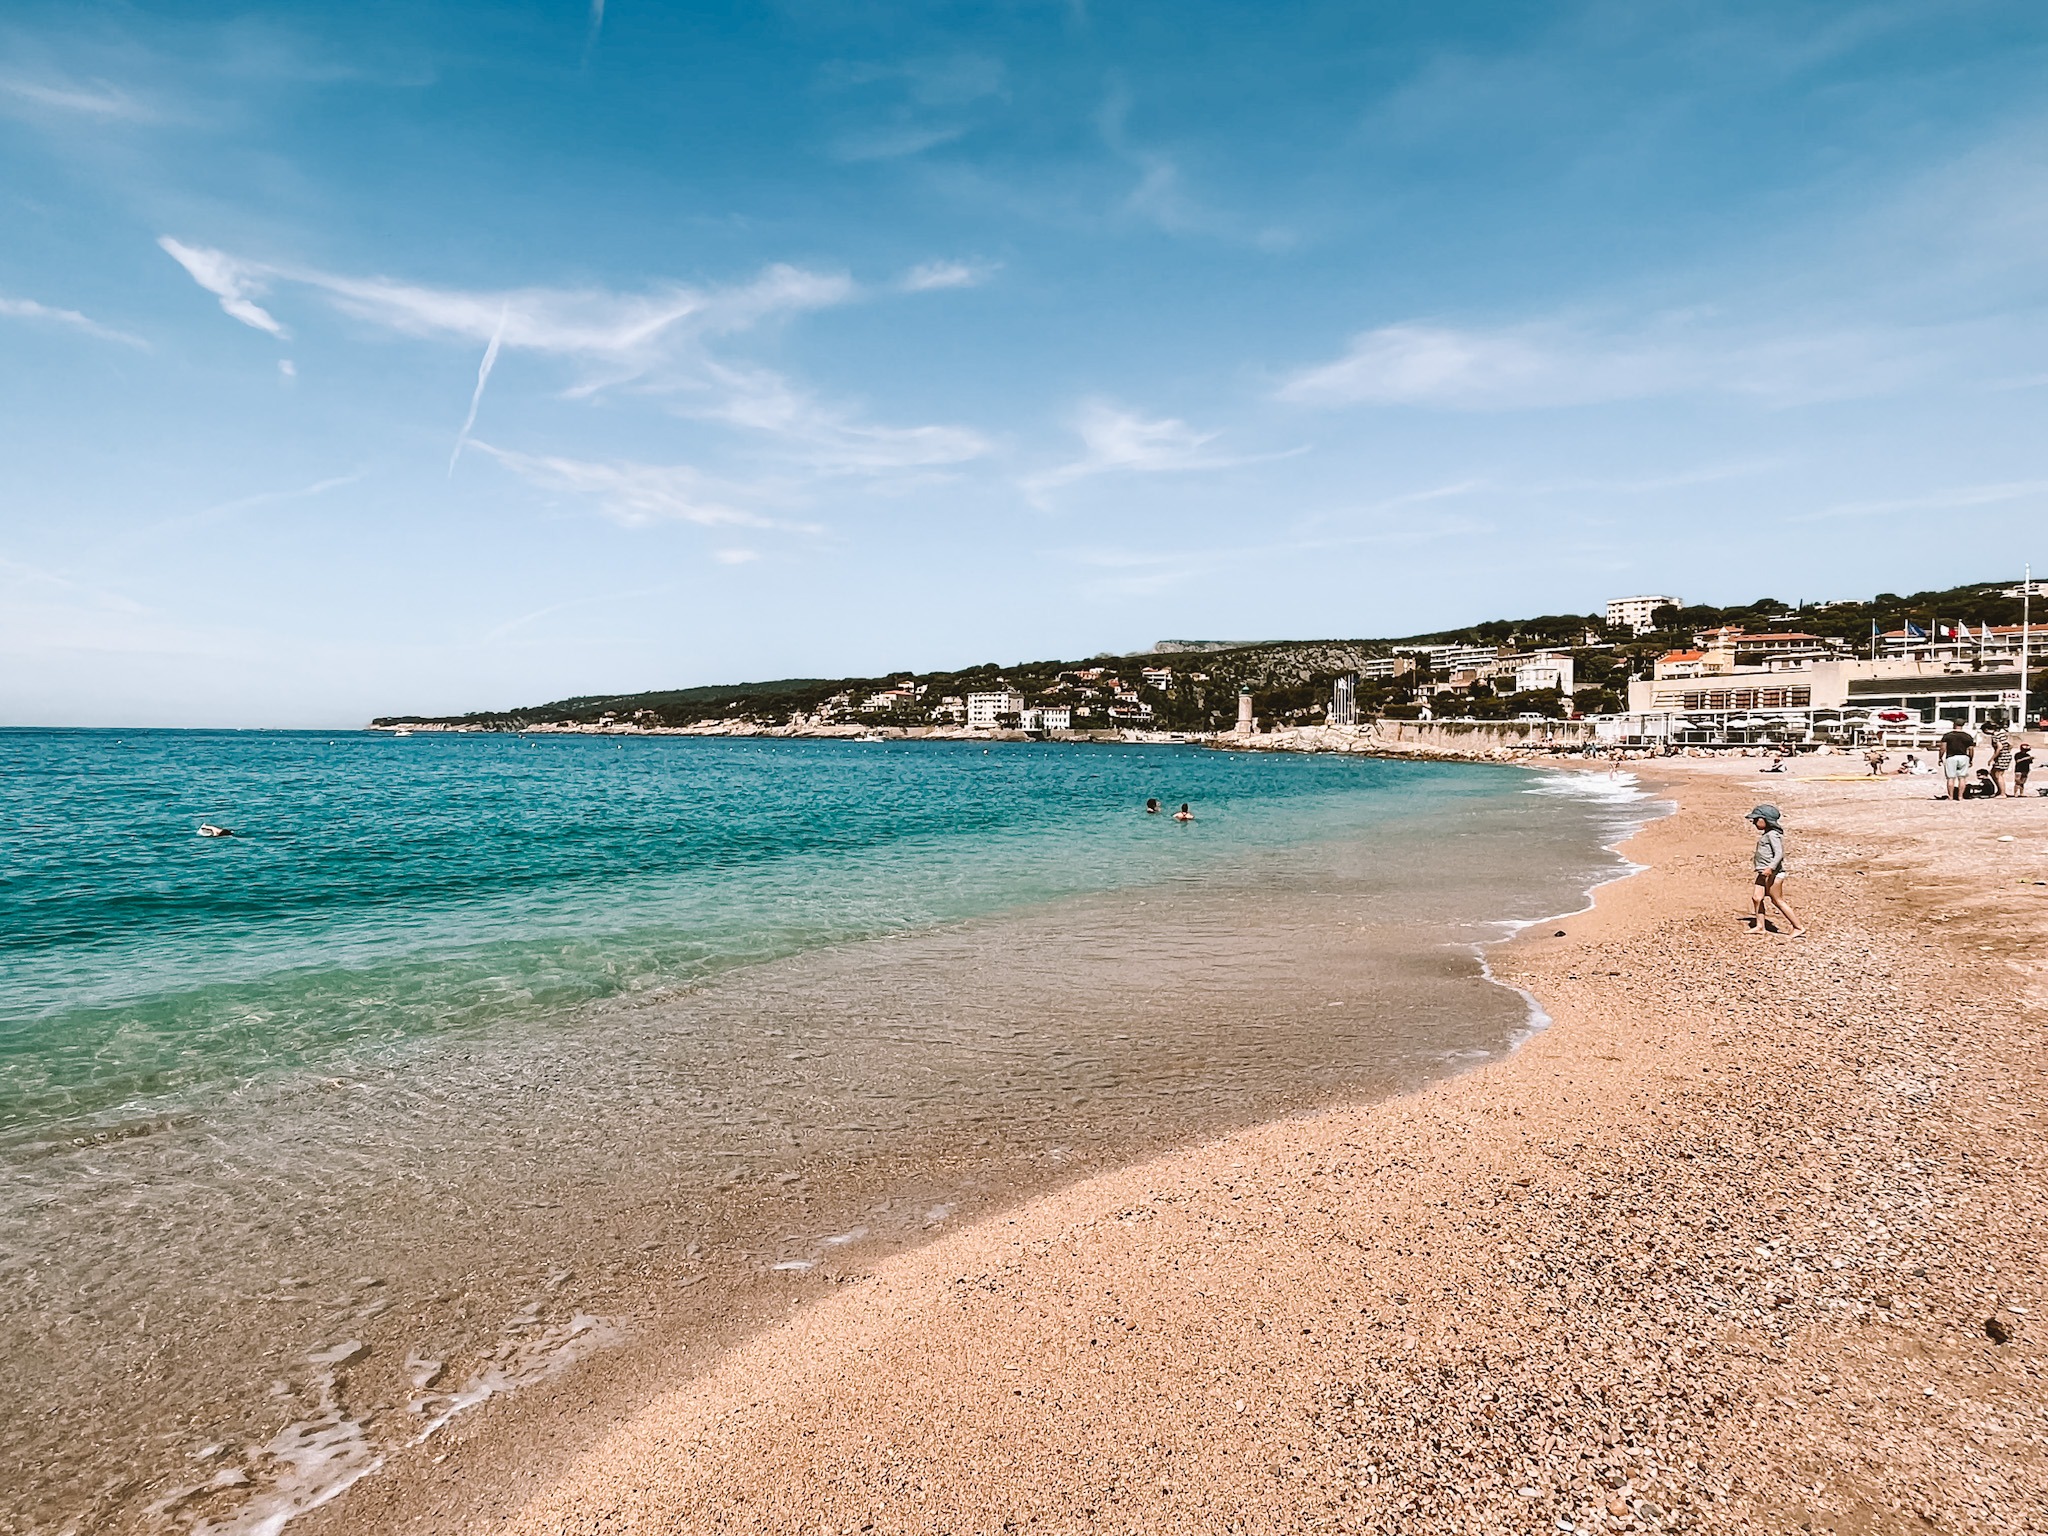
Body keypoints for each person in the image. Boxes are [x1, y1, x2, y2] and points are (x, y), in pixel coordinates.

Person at [1745, 804, 1804, 937]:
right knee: (1757, 898)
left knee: (1777, 900)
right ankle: (1760, 926)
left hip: (1773, 874)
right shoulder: (1767, 834)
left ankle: (1798, 927)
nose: (1754, 822)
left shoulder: (1773, 835)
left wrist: (1771, 867)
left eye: (1756, 819)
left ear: (1766, 820)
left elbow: (1779, 853)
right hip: (1762, 872)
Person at [1938, 722, 1976, 802]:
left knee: (1950, 778)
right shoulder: (1967, 736)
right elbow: (1971, 749)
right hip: (1963, 756)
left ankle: (1950, 797)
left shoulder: (1948, 735)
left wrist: (1940, 757)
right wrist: (1971, 759)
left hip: (1951, 757)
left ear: (1954, 724)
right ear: (1963, 725)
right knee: (1962, 778)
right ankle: (1960, 796)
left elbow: (1943, 748)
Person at [1983, 713, 2014, 798]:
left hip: (2002, 756)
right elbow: (2010, 744)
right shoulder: (2002, 734)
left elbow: (1999, 747)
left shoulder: (1995, 736)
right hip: (2006, 755)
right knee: (1993, 773)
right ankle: (1999, 790)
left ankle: (2002, 793)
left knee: (1998, 775)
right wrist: (2007, 751)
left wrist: (1992, 758)